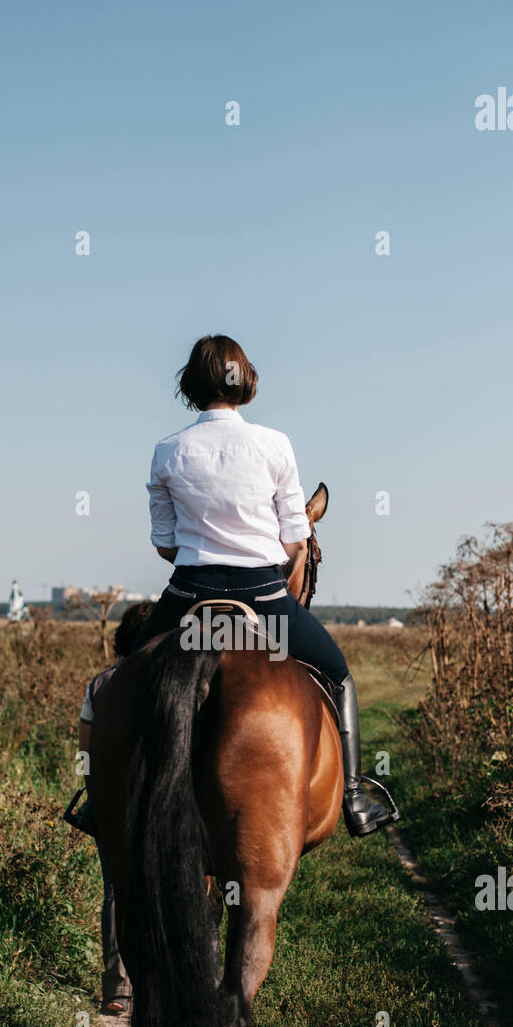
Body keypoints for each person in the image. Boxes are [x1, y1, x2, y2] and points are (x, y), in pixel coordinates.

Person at [104, 333, 395, 835]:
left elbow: (165, 547)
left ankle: (100, 798)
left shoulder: (166, 451)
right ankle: (353, 799)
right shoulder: (275, 444)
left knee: (125, 680)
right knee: (339, 673)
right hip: (264, 597)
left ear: (192, 387)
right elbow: (297, 544)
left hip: (188, 596)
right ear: (246, 383)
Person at [64, 600, 155, 1014]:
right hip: (161, 801)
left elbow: (85, 755)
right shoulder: (171, 681)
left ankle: (117, 989)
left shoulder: (99, 685)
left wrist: (95, 795)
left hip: (112, 801)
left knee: (117, 889)